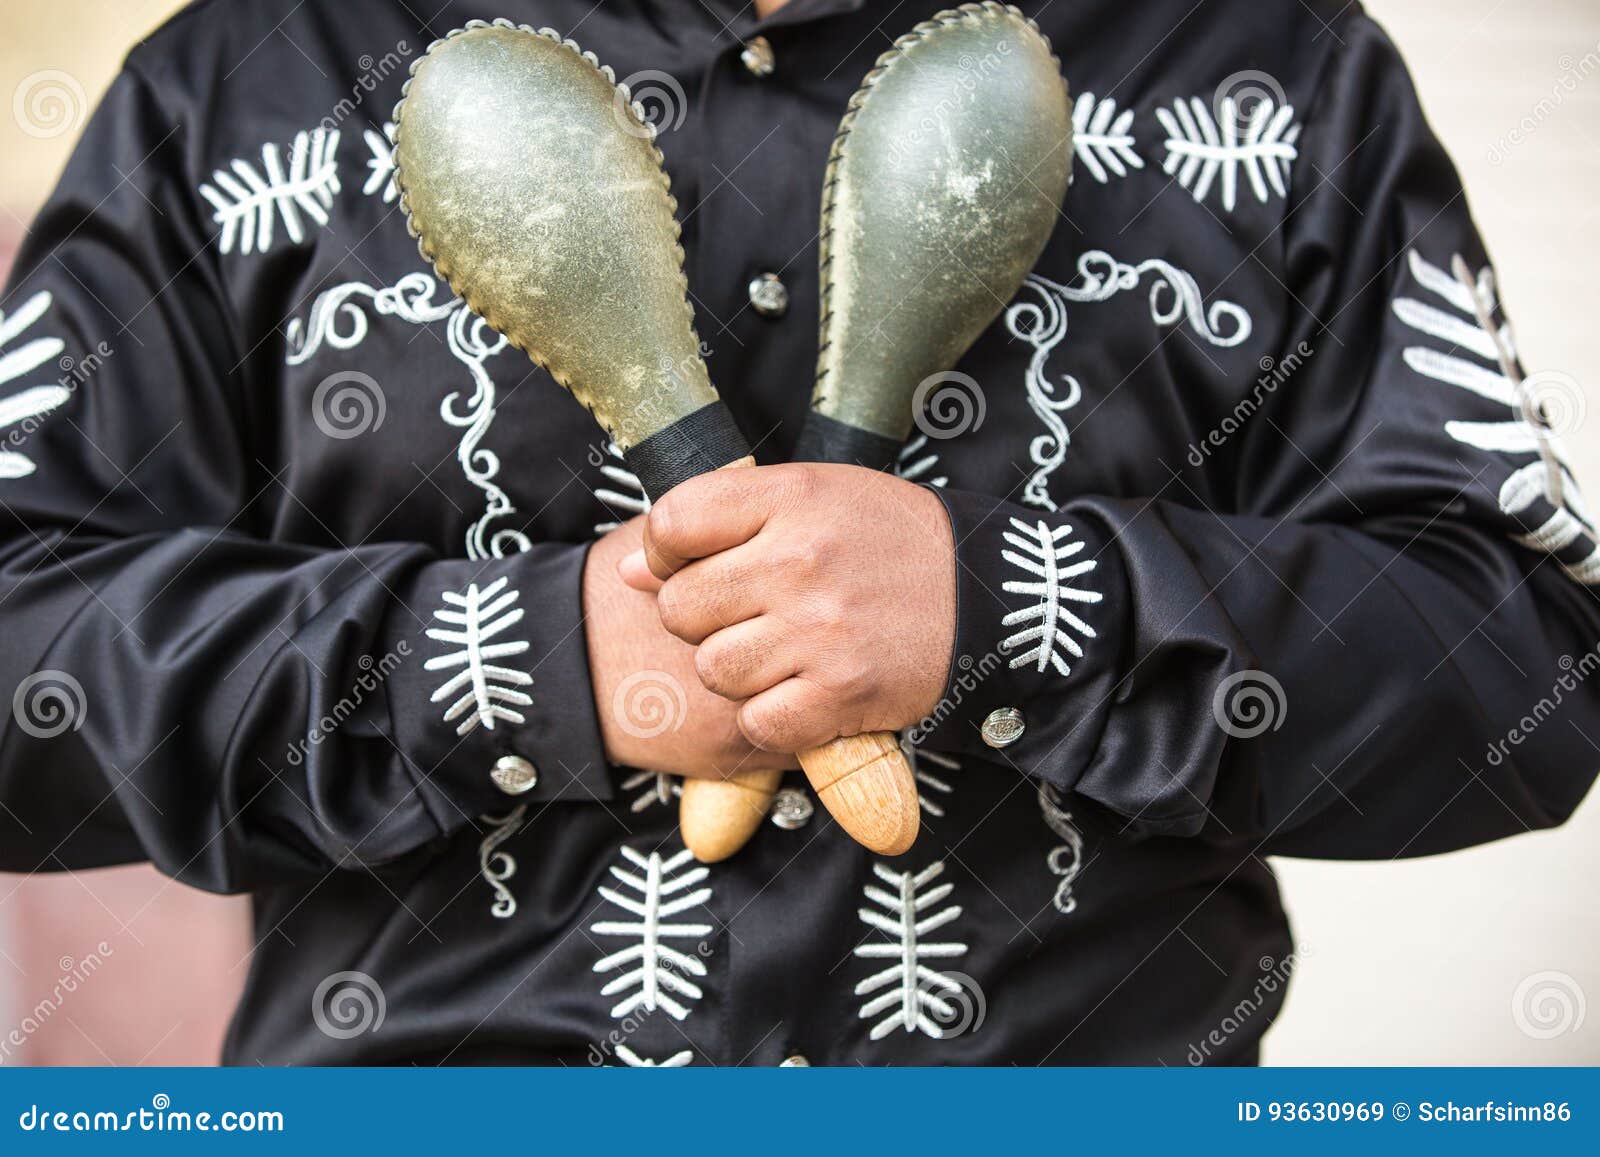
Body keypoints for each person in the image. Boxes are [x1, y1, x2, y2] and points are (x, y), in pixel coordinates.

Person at [0, 0, 1594, 1065]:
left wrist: (1009, 608)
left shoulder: (1265, 63)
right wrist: (525, 659)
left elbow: (1525, 660)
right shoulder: (247, 82)